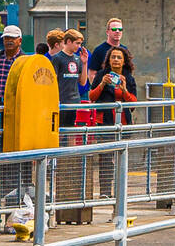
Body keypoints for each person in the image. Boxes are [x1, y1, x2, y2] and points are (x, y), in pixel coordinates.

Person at [89, 44, 137, 200]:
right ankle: (105, 191)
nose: (116, 60)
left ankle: (121, 190)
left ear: (124, 61)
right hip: (105, 123)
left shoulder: (128, 77)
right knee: (106, 158)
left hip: (123, 123)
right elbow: (92, 97)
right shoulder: (102, 74)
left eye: (119, 58)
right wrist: (102, 83)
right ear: (108, 60)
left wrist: (124, 89)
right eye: (113, 57)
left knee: (122, 157)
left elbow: (133, 103)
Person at [49, 28, 85, 127]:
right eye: (77, 43)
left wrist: (84, 63)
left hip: (74, 101)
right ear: (69, 41)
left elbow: (82, 82)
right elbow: (53, 81)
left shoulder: (77, 59)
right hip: (61, 100)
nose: (79, 46)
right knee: (59, 129)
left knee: (71, 130)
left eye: (80, 44)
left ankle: (71, 143)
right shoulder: (57, 58)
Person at [87, 18, 125, 85]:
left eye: (120, 29)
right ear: (107, 32)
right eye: (114, 29)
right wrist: (98, 90)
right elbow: (92, 74)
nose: (117, 31)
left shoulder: (125, 50)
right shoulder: (99, 50)